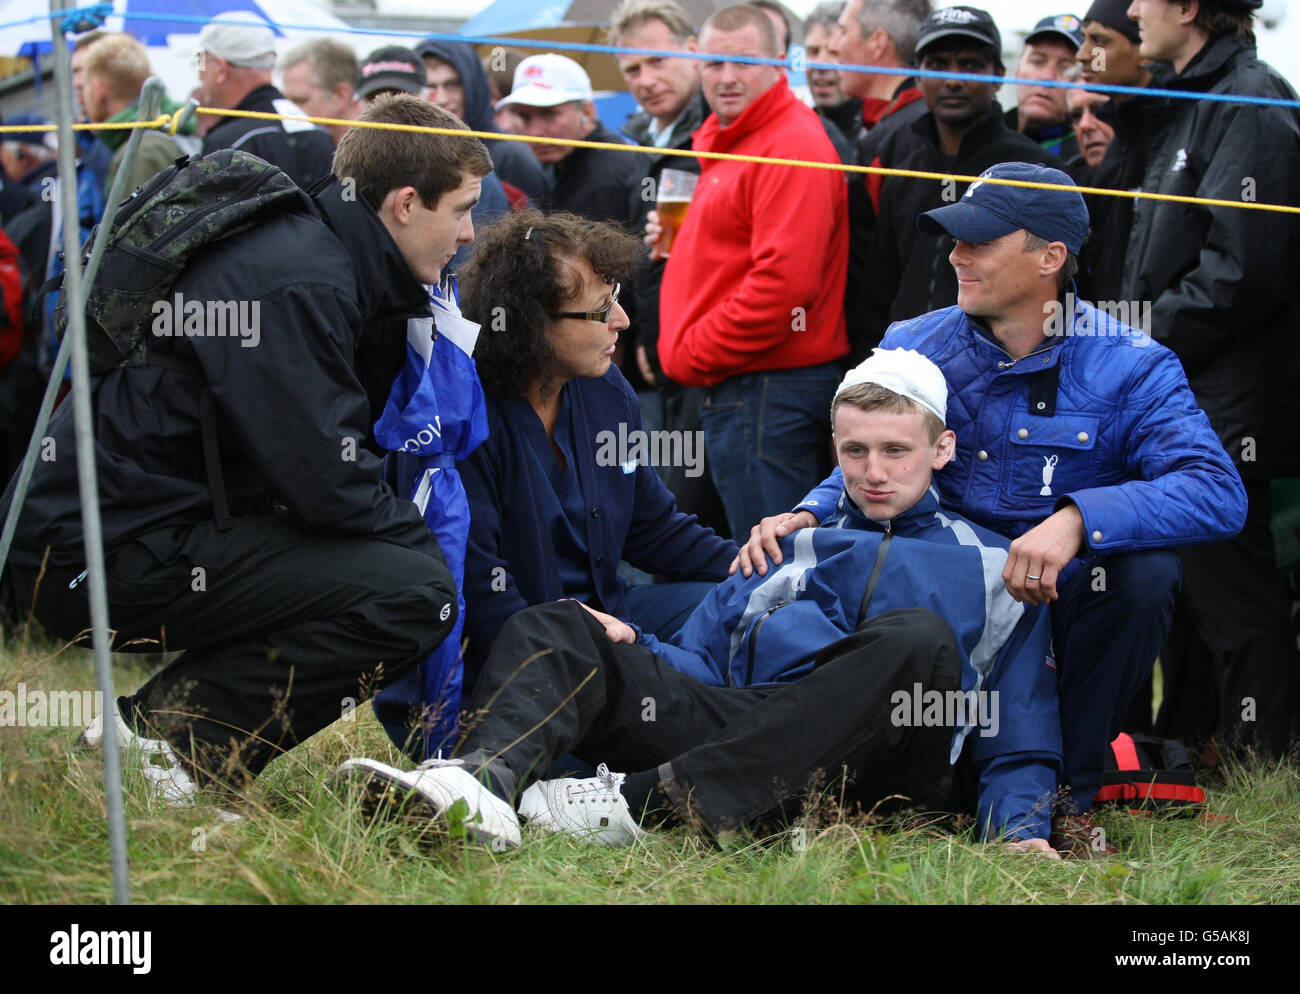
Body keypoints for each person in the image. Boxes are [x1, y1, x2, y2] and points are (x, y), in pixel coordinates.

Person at [335, 349, 1062, 855]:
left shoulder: (997, 565)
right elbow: (702, 663)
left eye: (896, 451)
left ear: (942, 450)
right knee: (561, 620)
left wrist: (1020, 831)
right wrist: (631, 646)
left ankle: (646, 801)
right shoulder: (786, 542)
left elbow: (1022, 730)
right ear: (833, 448)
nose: (873, 473)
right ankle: (476, 787)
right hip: (742, 729)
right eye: (854, 451)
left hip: (879, 769)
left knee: (917, 639)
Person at [734, 162, 1248, 853]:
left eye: (979, 241)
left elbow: (1216, 490)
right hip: (935, 582)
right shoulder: (912, 341)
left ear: (1050, 258)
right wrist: (809, 511)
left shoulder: (1132, 362)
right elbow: (869, 451)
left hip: (1053, 593)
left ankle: (1073, 795)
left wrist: (1075, 520)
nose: (956, 255)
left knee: (1144, 575)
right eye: (953, 239)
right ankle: (885, 779)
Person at [0, 95, 490, 808]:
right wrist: (434, 568)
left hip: (116, 531)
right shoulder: (299, 275)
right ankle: (171, 752)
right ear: (407, 204)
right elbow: (328, 480)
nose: (472, 233)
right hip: (91, 555)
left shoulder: (314, 250)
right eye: (464, 208)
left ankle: (146, 740)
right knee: (412, 595)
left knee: (397, 579)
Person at [448, 210, 737, 700]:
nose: (622, 321)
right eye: (602, 309)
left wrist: (757, 567)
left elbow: (653, 528)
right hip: (520, 652)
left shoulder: (605, 390)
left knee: (739, 608)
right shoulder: (467, 421)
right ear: (532, 325)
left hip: (613, 613)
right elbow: (480, 589)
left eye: (617, 299)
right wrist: (585, 638)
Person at [1122, 0, 1300, 761]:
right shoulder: (1188, 101)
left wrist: (1138, 341)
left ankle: (1265, 763)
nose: (1131, 10)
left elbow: (1244, 269)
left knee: (1238, 595)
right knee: (1201, 593)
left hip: (1234, 401)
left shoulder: (1251, 100)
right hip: (1194, 391)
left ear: (1189, 7)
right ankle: (1210, 748)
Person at [654, 4, 849, 542]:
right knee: (738, 561)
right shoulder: (738, 140)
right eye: (714, 63)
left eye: (743, 62)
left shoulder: (790, 145)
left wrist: (692, 352)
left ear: (779, 64)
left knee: (775, 570)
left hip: (763, 392)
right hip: (741, 388)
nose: (727, 77)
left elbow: (784, 287)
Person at [855, 6, 1062, 357]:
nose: (953, 79)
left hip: (1002, 368)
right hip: (903, 373)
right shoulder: (903, 169)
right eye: (937, 64)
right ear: (917, 75)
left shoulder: (1034, 170)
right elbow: (875, 289)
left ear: (998, 75)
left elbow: (1060, 285)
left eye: (970, 64)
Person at [610, 0, 728, 534]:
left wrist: (660, 338)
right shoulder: (645, 140)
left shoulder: (718, 134)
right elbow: (653, 255)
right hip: (657, 359)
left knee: (695, 511)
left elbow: (691, 258)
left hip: (706, 356)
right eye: (632, 68)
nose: (646, 79)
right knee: (663, 499)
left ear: (692, 50)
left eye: (657, 60)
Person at [354, 45, 510, 268]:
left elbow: (471, 271)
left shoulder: (472, 176)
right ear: (356, 106)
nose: (389, 115)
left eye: (404, 100)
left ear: (429, 102)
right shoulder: (345, 175)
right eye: (376, 101)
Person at [498, 54, 645, 224]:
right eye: (524, 116)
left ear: (587, 112)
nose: (535, 131)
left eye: (550, 114)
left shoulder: (602, 177)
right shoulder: (566, 161)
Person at [196, 14, 335, 190]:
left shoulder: (227, 145)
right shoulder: (317, 132)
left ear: (221, 70)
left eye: (200, 61)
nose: (199, 74)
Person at [414, 37, 549, 203]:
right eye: (430, 87)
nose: (441, 99)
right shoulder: (411, 156)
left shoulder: (510, 156)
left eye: (452, 85)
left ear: (472, 85)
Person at [80, 34, 198, 194]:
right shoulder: (171, 131)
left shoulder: (139, 154)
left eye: (83, 86)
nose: (81, 97)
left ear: (98, 89)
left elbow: (132, 220)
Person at [1006, 15, 1085, 160]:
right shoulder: (980, 138)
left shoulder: (1089, 158)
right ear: (1017, 72)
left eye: (1065, 67)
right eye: (1038, 62)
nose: (1047, 77)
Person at [805, 1, 864, 155]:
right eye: (813, 51)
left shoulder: (880, 129)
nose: (821, 64)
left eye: (834, 53)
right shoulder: (795, 128)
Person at [279, 37, 360, 143]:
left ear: (340, 95)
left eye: (300, 101)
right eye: (285, 101)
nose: (288, 111)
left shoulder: (378, 151)